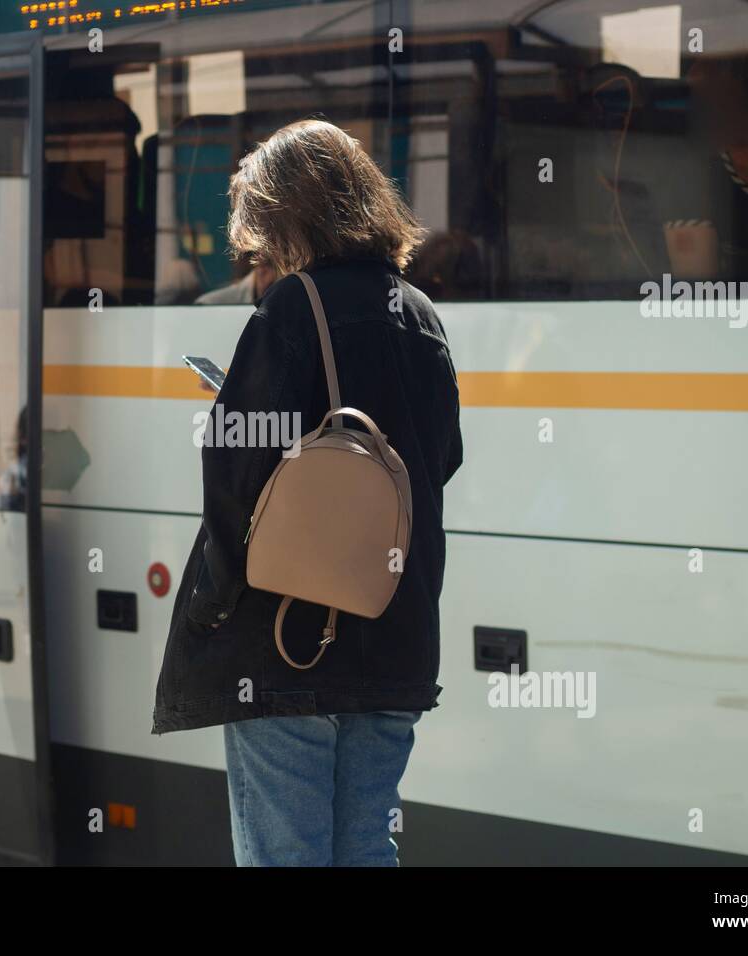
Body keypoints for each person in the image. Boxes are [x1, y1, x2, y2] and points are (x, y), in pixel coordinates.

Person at [151, 120, 464, 866]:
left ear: (288, 218)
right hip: (395, 638)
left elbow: (235, 478)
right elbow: (442, 458)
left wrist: (211, 604)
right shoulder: (419, 311)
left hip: (287, 645)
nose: (259, 257)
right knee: (366, 851)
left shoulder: (293, 308)